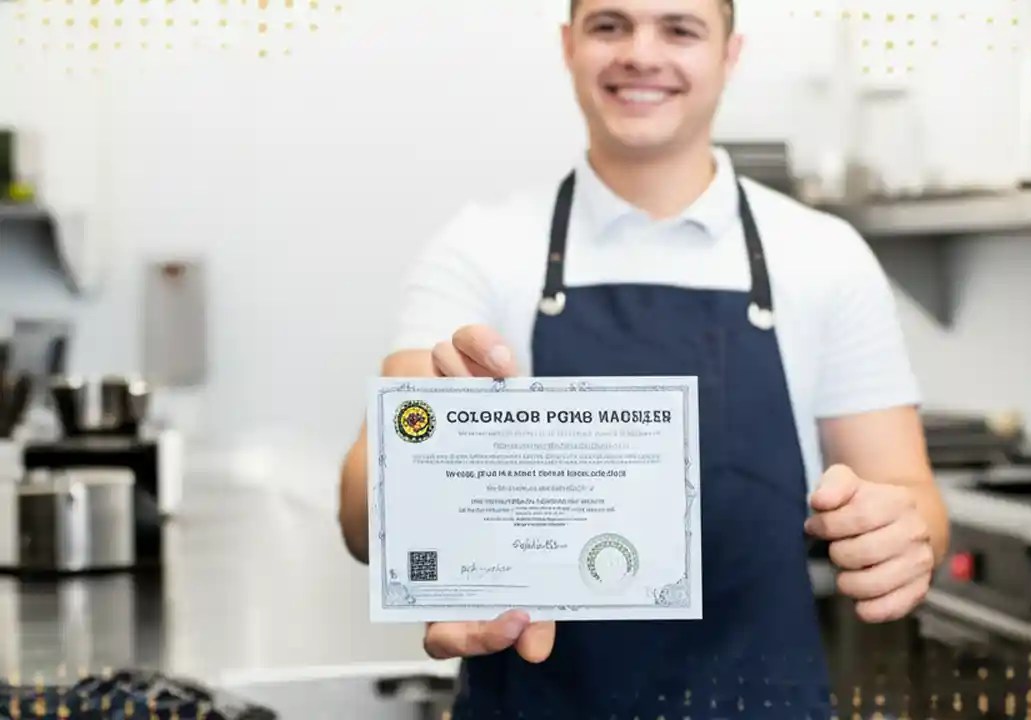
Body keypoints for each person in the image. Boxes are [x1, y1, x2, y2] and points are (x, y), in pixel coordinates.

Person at [338, 0, 949, 717]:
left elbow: (910, 492)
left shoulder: (824, 256)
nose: (641, 54)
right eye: (610, 25)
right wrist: (426, 462)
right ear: (568, 45)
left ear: (730, 54)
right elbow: (360, 517)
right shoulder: (481, 249)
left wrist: (899, 536)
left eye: (679, 29)